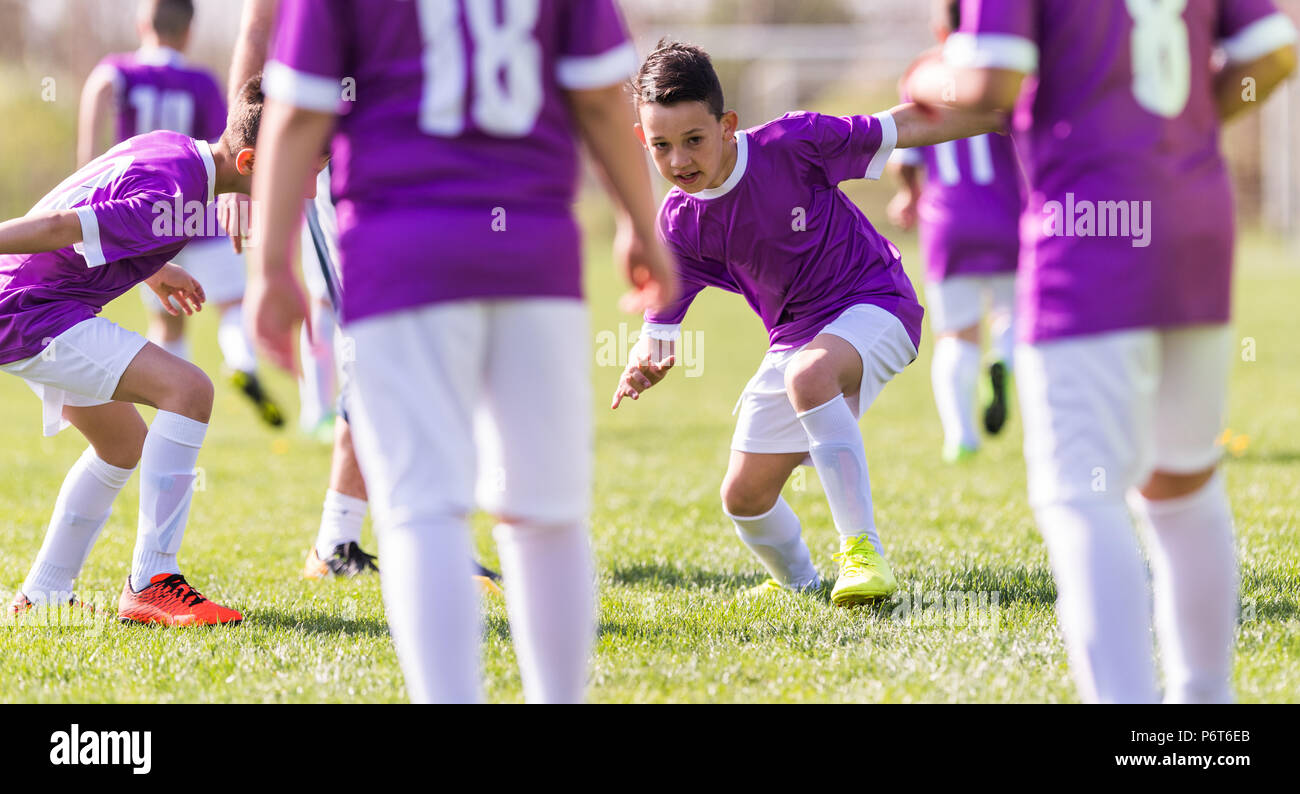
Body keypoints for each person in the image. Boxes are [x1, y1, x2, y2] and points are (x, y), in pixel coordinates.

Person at [248, 0, 677, 703]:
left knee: (422, 511)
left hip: (400, 253)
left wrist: (270, 265)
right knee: (545, 512)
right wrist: (639, 220)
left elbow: (296, 112)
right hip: (532, 253)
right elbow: (601, 97)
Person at [906, 0, 1297, 702]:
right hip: (1195, 219)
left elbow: (993, 83)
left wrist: (930, 78)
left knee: (1080, 496)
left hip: (1089, 235)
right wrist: (1183, 132)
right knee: (1184, 486)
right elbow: (1274, 51)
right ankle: (1204, 714)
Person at [612, 40, 1002, 606]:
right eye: (661, 146)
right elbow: (660, 319)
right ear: (642, 141)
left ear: (727, 126)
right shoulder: (678, 223)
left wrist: (1002, 115)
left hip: (877, 301)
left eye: (693, 139)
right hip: (795, 339)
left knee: (809, 377)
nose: (679, 161)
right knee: (744, 498)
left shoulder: (794, 144)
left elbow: (902, 127)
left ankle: (862, 554)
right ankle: (799, 583)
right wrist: (643, 361)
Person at [2, 75, 309, 625]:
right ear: (250, 162)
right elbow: (56, 226)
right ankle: (153, 582)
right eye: (301, 167)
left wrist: (152, 268)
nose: (309, 186)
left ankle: (44, 593)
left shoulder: (181, 155)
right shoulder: (178, 191)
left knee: (121, 444)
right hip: (30, 311)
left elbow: (105, 211)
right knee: (189, 391)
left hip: (33, 302)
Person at [77, 0, 284, 428]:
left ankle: (167, 403)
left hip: (143, 216)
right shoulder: (201, 81)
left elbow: (98, 87)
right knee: (231, 305)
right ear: (189, 31)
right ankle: (241, 361)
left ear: (141, 24)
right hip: (199, 211)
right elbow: (226, 139)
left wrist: (87, 164)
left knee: (168, 315)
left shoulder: (123, 70)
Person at [887, 0, 1025, 463]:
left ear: (939, 25)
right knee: (1014, 315)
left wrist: (909, 194)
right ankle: (1004, 358)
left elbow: (902, 155)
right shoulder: (1004, 74)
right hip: (1009, 216)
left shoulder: (922, 74)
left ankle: (961, 437)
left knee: (955, 333)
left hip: (948, 222)